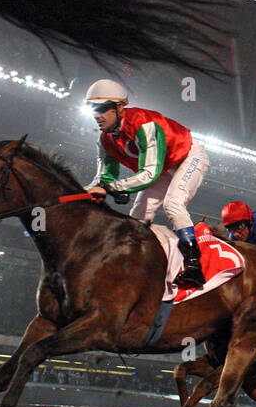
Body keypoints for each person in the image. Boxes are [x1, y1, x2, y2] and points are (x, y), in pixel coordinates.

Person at [82, 79, 209, 288]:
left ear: (120, 108)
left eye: (103, 108)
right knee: (137, 215)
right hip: (164, 168)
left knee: (173, 204)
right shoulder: (104, 140)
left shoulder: (144, 124)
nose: (97, 115)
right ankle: (131, 263)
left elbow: (149, 174)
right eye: (94, 109)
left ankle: (194, 265)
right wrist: (87, 191)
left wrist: (114, 188)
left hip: (188, 157)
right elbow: (104, 178)